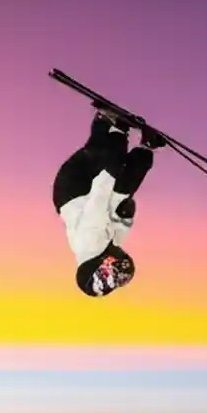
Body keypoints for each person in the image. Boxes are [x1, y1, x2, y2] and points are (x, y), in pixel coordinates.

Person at [51, 105, 167, 297]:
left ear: (99, 267)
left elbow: (99, 197)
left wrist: (110, 168)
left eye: (112, 274)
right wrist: (126, 216)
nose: (118, 271)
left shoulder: (89, 241)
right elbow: (120, 227)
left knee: (105, 163)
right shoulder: (106, 248)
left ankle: (108, 123)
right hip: (87, 194)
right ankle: (145, 146)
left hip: (73, 186)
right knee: (122, 192)